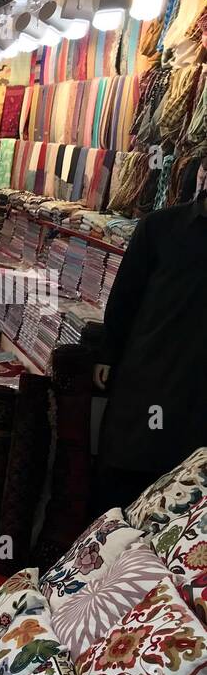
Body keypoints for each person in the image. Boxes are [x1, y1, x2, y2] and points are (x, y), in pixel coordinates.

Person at [93, 199, 207, 511]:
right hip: (148, 371)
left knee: (187, 486)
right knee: (126, 471)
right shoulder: (160, 227)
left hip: (198, 391)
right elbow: (126, 294)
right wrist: (109, 352)